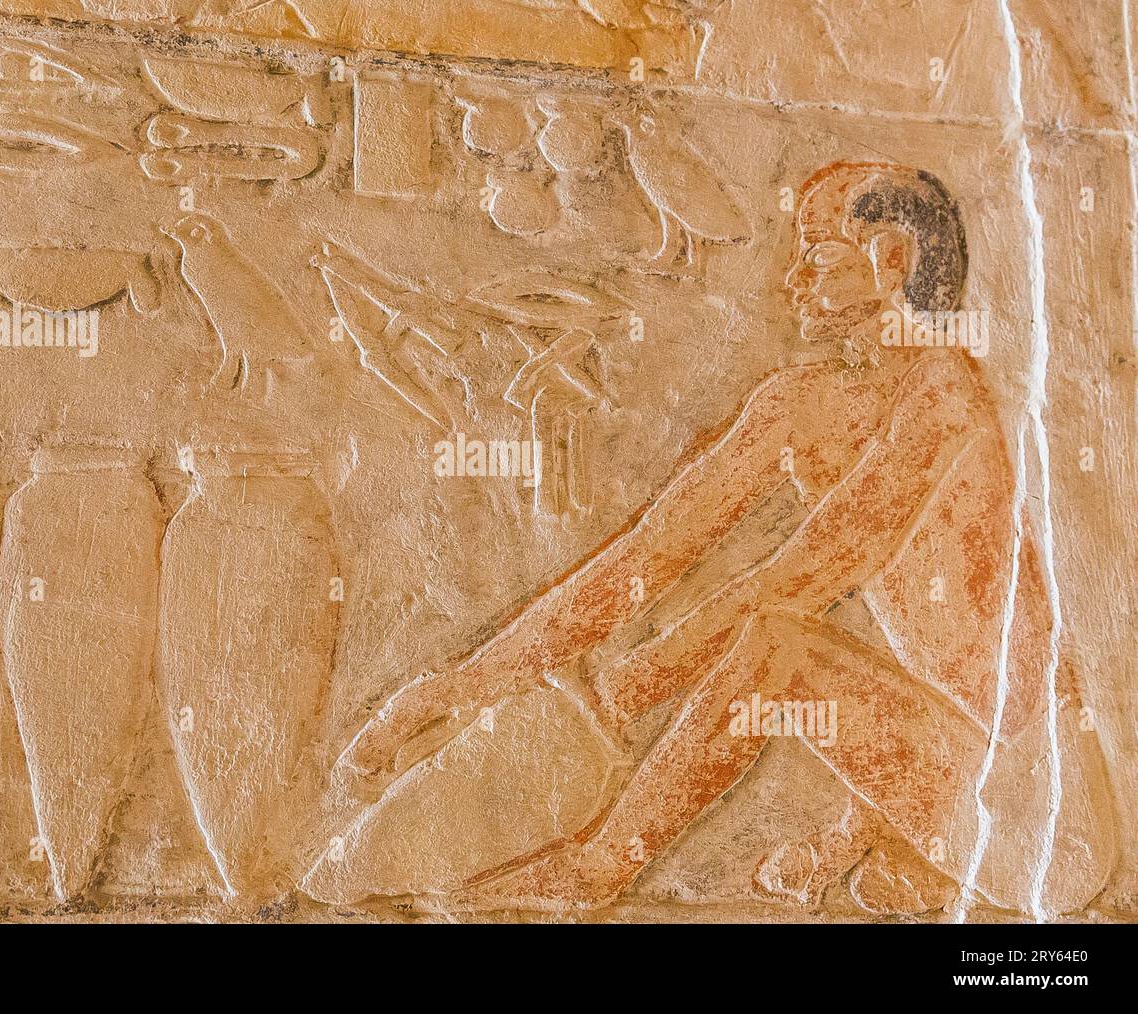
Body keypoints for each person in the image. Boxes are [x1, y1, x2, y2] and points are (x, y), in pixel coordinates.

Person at [338, 161, 1062, 912]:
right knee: (767, 642)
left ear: (890, 261)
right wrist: (460, 687)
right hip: (933, 769)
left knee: (779, 650)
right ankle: (869, 845)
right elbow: (645, 558)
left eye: (816, 252)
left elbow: (806, 573)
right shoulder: (800, 403)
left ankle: (596, 871)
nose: (791, 278)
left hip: (1027, 807)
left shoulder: (945, 398)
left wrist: (628, 688)